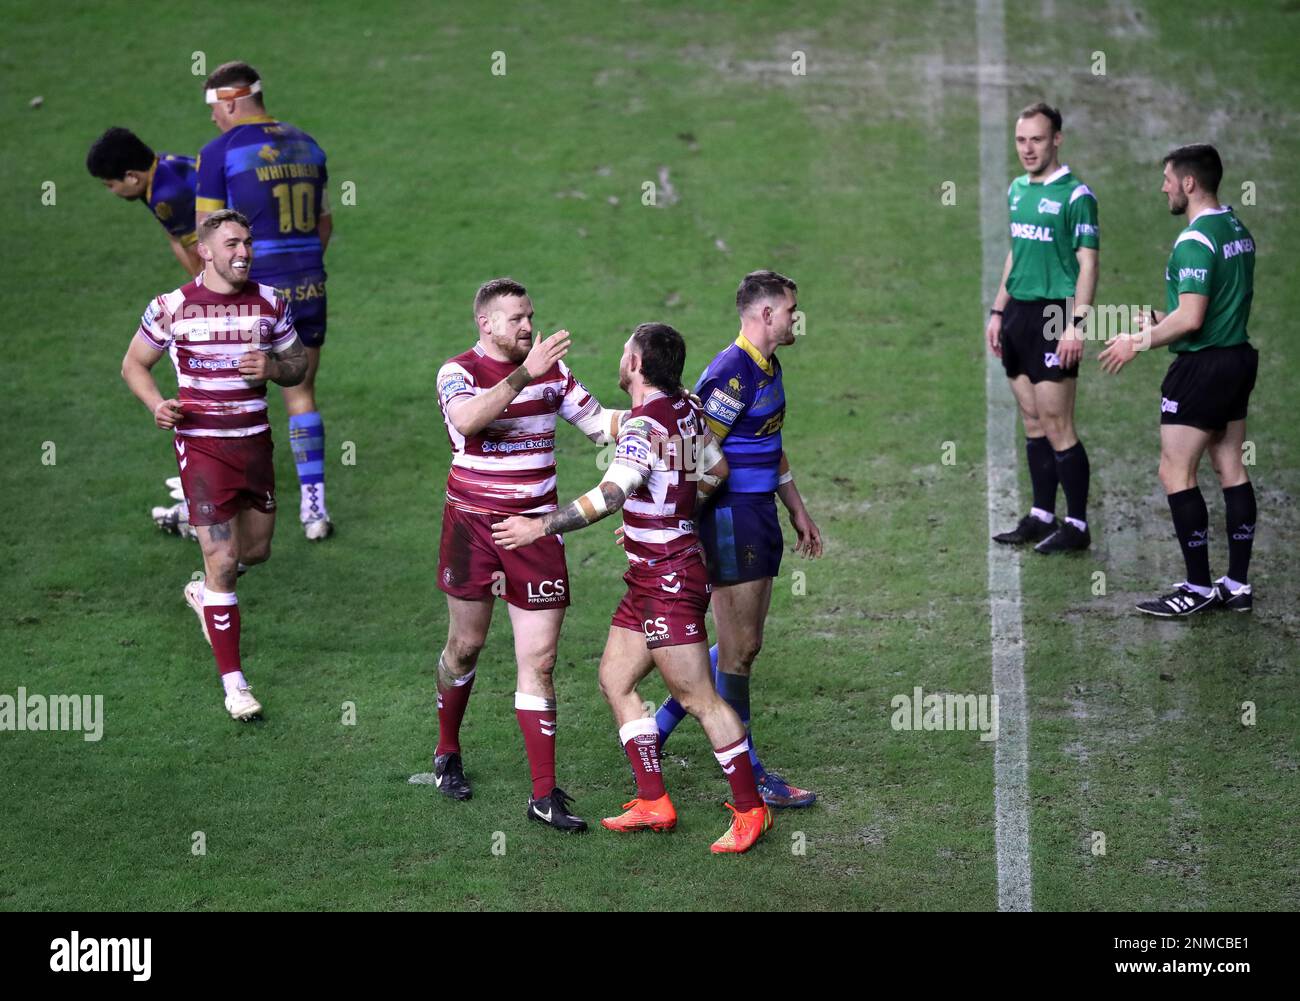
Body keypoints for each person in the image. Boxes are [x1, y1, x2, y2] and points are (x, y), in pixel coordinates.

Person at [493, 322, 774, 854]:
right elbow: (716, 469)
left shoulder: (644, 430)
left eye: (625, 352)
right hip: (651, 573)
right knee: (615, 680)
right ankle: (653, 801)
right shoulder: (685, 409)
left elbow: (610, 494)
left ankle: (751, 808)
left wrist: (539, 526)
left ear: (637, 366)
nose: (621, 358)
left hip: (669, 578)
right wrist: (669, 512)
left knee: (699, 698)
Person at [432, 278, 628, 832]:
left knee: (539, 662)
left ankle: (544, 795)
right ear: (485, 324)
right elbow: (469, 421)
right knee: (465, 647)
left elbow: (598, 424)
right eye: (516, 318)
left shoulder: (553, 375)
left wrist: (654, 413)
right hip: (472, 528)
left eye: (531, 315)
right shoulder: (458, 373)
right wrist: (525, 373)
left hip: (536, 532)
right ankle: (448, 748)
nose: (527, 326)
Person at [120, 210, 308, 719]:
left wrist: (272, 367)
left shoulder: (271, 303)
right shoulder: (172, 307)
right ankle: (236, 685)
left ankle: (205, 593)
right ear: (205, 250)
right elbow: (134, 364)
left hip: (254, 445)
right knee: (223, 560)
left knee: (258, 550)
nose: (243, 252)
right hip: (202, 447)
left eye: (247, 242)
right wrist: (157, 404)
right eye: (231, 244)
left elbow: (298, 367)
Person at [654, 270, 822, 809]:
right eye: (791, 308)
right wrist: (673, 520)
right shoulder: (731, 375)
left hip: (758, 515)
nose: (797, 316)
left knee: (740, 644)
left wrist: (797, 508)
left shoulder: (767, 365)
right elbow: (696, 453)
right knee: (740, 650)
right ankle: (749, 771)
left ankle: (651, 734)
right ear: (766, 314)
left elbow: (771, 443)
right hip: (730, 520)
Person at [1099, 144, 1258, 616]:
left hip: (1201, 369)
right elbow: (1210, 309)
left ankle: (1196, 587)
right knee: (1230, 465)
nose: (1163, 187)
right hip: (1236, 360)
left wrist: (1138, 343)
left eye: (1168, 178)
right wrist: (1150, 321)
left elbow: (1190, 320)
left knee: (1174, 472)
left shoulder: (1194, 241)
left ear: (1189, 183)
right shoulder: (1236, 230)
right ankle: (1236, 584)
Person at [196, 61, 335, 540]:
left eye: (214, 108)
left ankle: (224, 502)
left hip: (252, 290)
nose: (214, 118)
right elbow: (324, 225)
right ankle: (314, 511)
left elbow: (208, 237)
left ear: (230, 102)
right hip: (308, 283)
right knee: (300, 392)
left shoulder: (219, 152)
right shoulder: (308, 144)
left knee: (233, 399)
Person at [987, 102, 1099, 554]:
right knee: (1032, 419)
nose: (1028, 148)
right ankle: (1040, 514)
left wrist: (1077, 324)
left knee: (1057, 422)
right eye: (1021, 140)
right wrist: (998, 311)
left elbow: (1088, 263)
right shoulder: (1017, 190)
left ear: (1057, 139)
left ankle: (1076, 525)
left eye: (1037, 139)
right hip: (1019, 313)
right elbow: (1017, 251)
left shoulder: (1077, 196)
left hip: (1057, 313)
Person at [87, 126, 203, 537]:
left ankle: (204, 490)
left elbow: (197, 248)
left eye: (111, 184)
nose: (111, 191)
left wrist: (202, 299)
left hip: (228, 279)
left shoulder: (165, 198)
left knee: (199, 385)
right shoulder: (169, 163)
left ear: (133, 178)